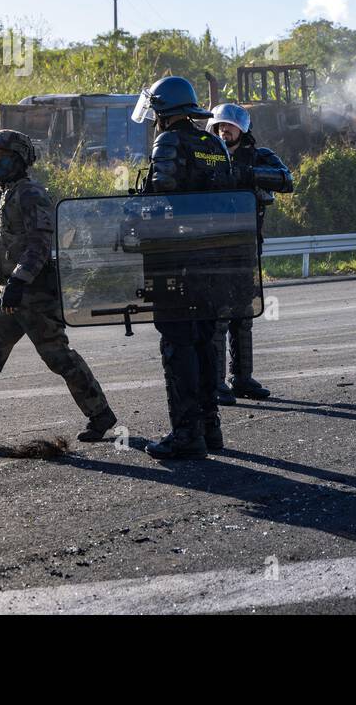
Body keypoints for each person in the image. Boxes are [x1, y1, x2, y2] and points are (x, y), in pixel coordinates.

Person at [0, 130, 117, 452]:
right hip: (6, 291)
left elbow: (40, 243)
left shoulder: (30, 194)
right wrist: (9, 284)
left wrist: (19, 280)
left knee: (58, 357)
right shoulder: (3, 195)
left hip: (33, 293)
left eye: (3, 155)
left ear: (19, 160)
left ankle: (100, 414)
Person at [132, 76, 236, 459]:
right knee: (206, 343)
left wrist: (134, 215)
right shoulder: (213, 143)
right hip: (216, 261)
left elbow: (163, 200)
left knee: (178, 346)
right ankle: (210, 429)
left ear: (163, 110)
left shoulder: (168, 141)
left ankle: (185, 433)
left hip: (177, 263)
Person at [203, 103, 293, 405]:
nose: (224, 130)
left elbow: (285, 179)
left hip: (246, 246)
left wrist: (246, 173)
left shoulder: (257, 155)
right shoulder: (205, 155)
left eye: (229, 125)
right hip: (214, 247)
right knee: (218, 316)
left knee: (244, 313)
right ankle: (215, 383)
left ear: (242, 128)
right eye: (219, 125)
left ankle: (242, 378)